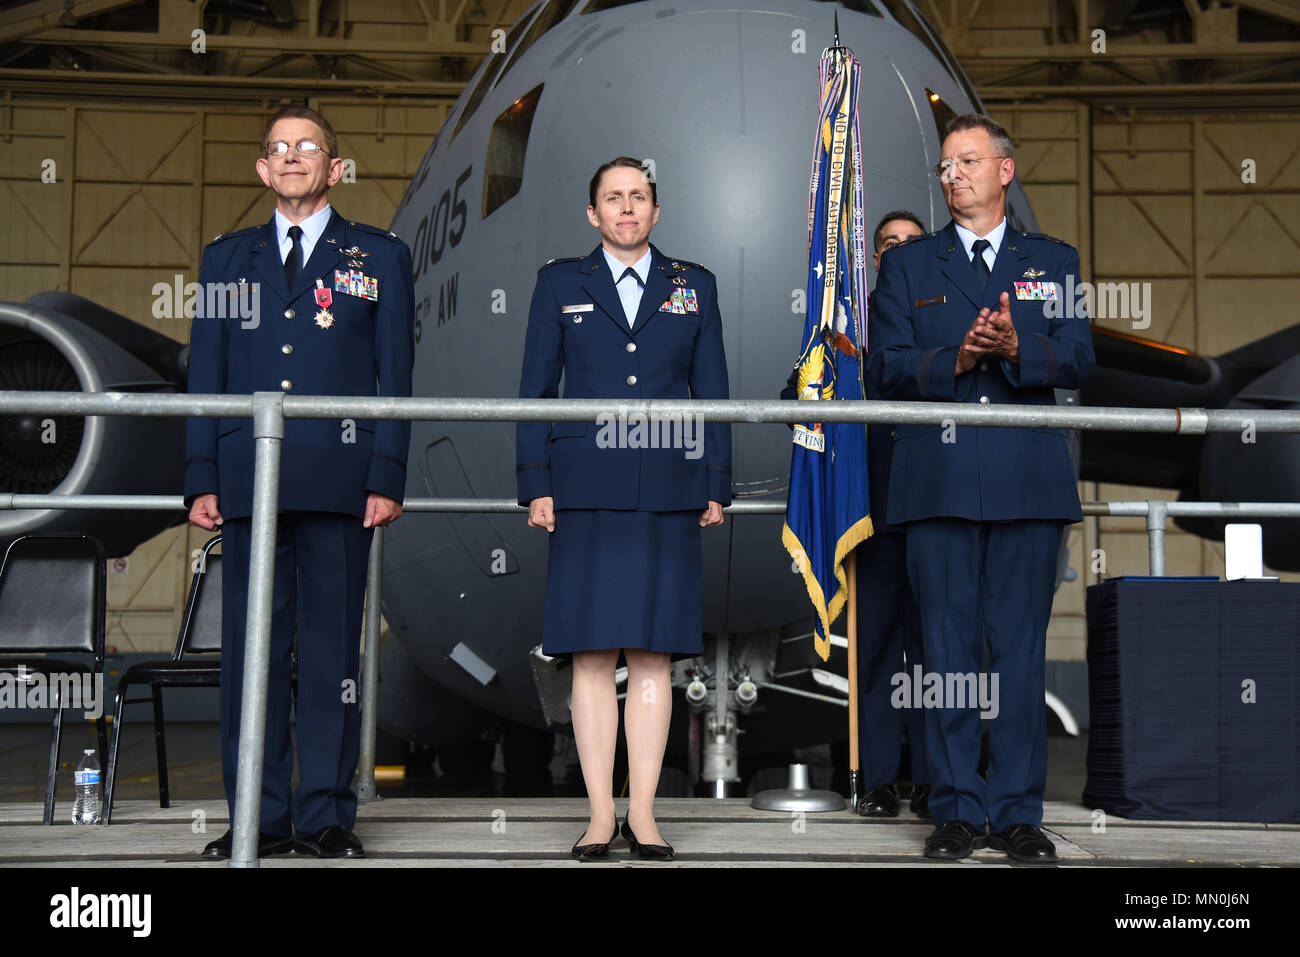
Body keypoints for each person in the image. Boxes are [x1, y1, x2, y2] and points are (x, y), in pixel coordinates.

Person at [184, 105, 414, 860]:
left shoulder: (378, 257)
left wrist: (386, 472)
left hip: (342, 482)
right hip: (248, 478)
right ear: (262, 168)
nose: (291, 158)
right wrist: (200, 474)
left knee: (330, 660)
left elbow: (396, 380)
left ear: (333, 167)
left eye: (307, 147)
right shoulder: (225, 261)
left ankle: (322, 816)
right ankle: (256, 812)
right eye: (278, 149)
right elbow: (207, 376)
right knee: (251, 655)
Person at [866, 114, 1094, 862]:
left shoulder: (1054, 262)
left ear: (1005, 170)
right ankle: (957, 808)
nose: (950, 174)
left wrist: (1020, 346)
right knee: (948, 659)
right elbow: (886, 370)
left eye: (966, 161)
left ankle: (1019, 812)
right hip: (937, 484)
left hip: (1028, 486)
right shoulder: (908, 266)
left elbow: (1081, 359)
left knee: (1019, 656)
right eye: (943, 165)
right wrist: (957, 358)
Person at [516, 156, 731, 860]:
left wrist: (716, 482)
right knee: (589, 656)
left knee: (651, 655)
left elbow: (717, 394)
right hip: (584, 485)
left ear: (656, 211)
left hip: (670, 482)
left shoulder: (694, 285)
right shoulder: (558, 283)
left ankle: (643, 814)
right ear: (593, 213)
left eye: (638, 197)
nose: (627, 208)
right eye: (613, 197)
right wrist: (536, 482)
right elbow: (533, 391)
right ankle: (600, 815)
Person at [782, 211, 931, 818]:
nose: (897, 251)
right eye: (888, 244)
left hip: (932, 508)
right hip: (868, 514)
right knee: (872, 654)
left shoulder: (941, 313)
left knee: (934, 656)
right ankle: (875, 780)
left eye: (910, 244)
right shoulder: (846, 324)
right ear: (873, 258)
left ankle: (931, 778)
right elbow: (793, 396)